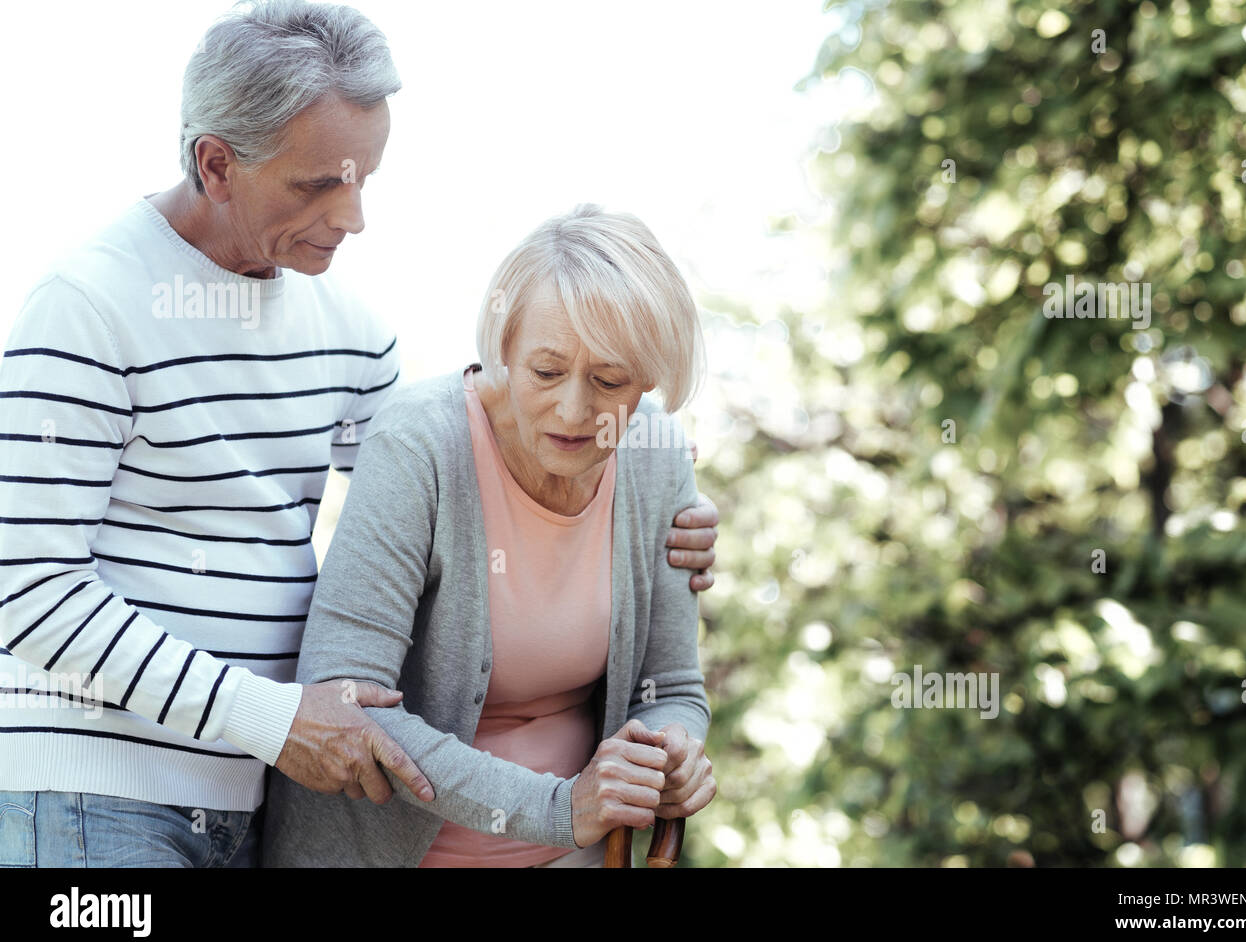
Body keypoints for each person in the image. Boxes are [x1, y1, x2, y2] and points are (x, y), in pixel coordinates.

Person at [0, 0, 718, 869]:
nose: (353, 217)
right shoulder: (88, 304)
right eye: (318, 185)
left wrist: (667, 519)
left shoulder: (350, 329)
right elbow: (26, 585)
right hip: (93, 791)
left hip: (256, 795)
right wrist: (275, 717)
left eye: (363, 180)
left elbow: (462, 485)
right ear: (216, 163)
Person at [263, 204, 718, 867]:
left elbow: (673, 685)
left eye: (609, 380)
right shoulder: (418, 445)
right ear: (502, 346)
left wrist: (668, 749)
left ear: (648, 378)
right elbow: (346, 699)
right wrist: (558, 807)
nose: (573, 408)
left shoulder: (655, 454)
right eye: (545, 370)